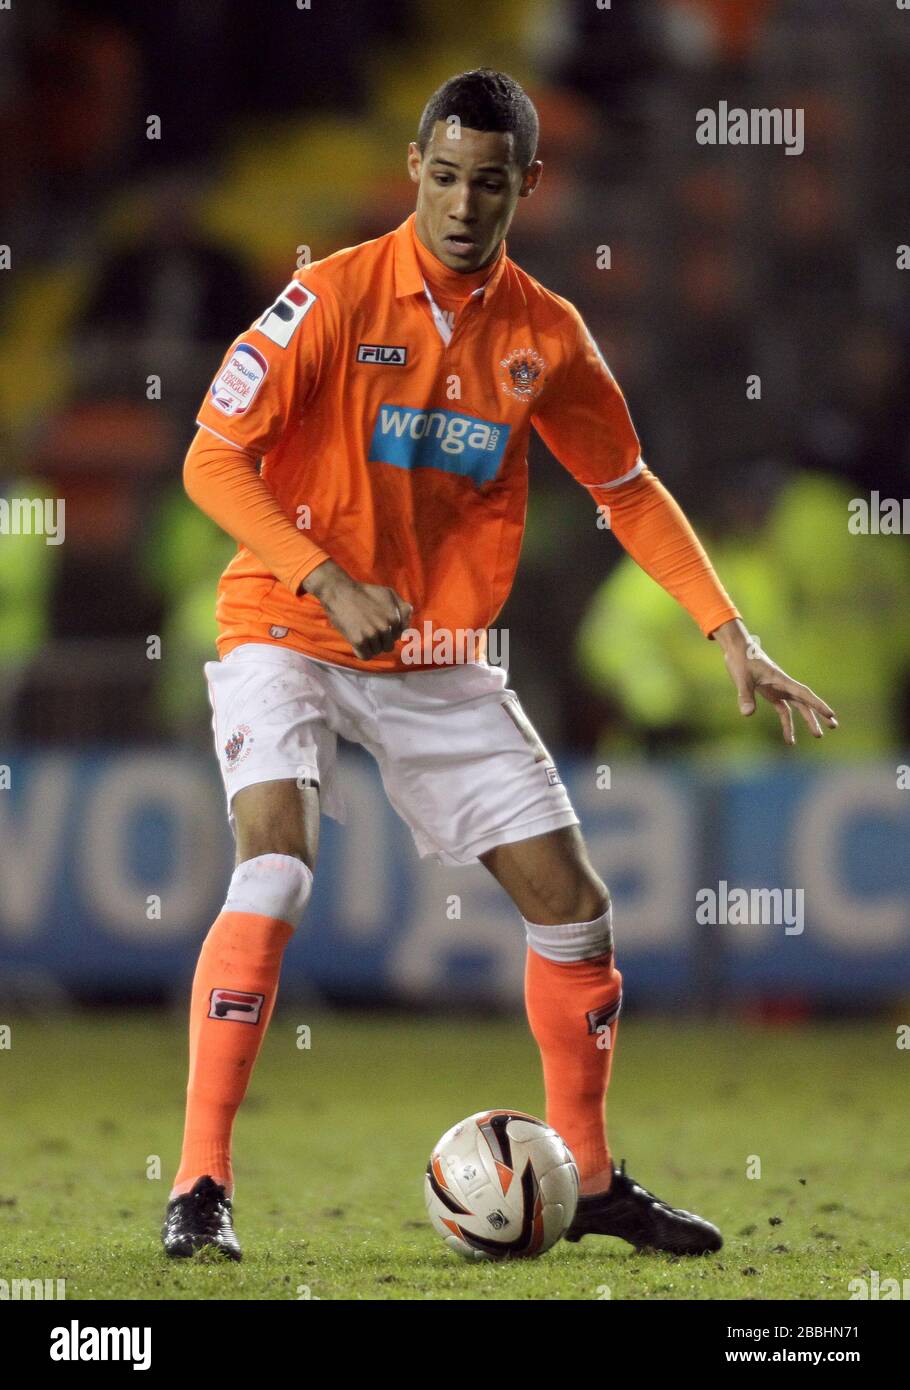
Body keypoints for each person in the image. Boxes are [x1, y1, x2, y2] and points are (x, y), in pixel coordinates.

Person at [163, 69, 836, 1262]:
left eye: (488, 183)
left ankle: (588, 1175)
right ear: (415, 163)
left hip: (431, 650)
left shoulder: (546, 336)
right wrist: (323, 574)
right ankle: (201, 1185)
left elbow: (624, 489)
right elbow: (212, 460)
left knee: (576, 908)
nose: (462, 203)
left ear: (527, 183)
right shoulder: (325, 296)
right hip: (285, 620)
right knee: (276, 864)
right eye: (442, 175)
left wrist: (728, 630)